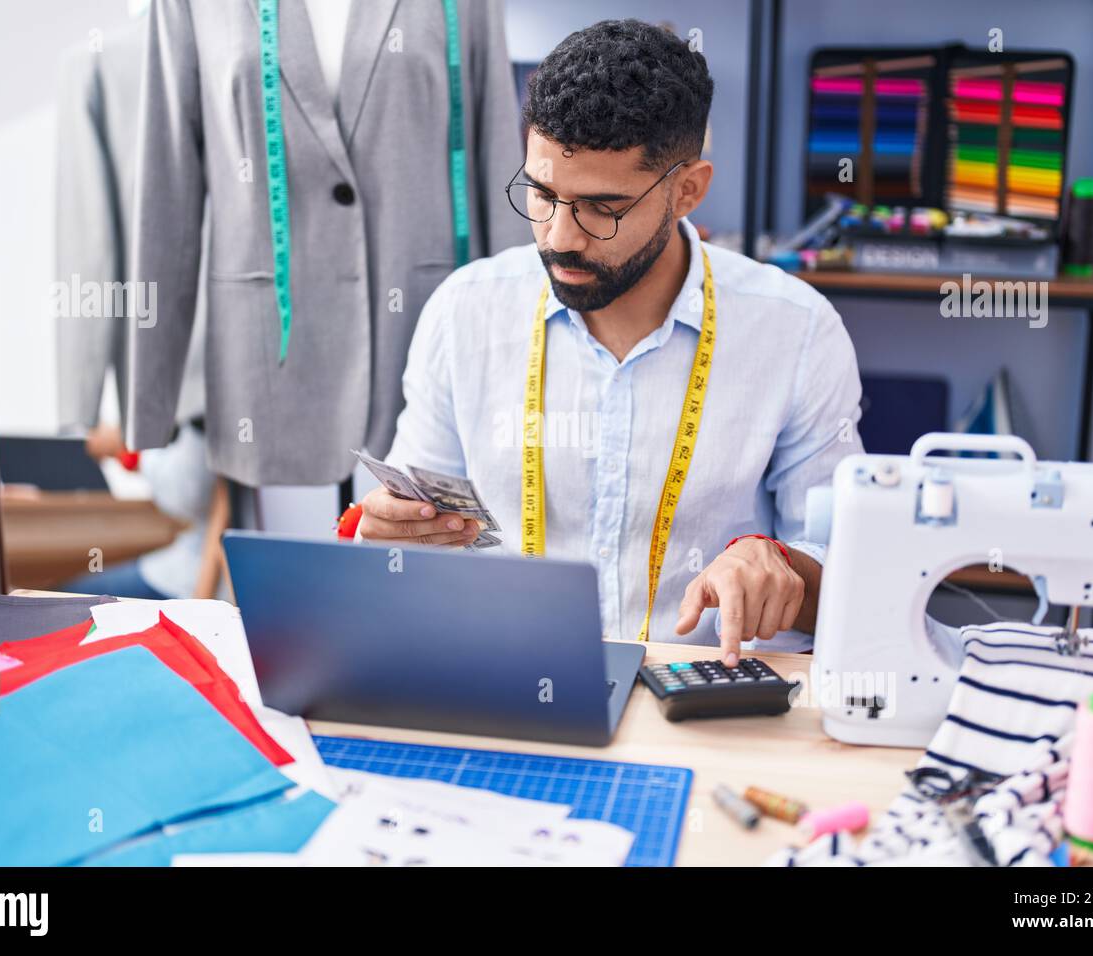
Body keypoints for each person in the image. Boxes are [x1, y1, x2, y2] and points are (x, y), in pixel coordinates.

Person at [357, 19, 864, 663]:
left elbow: (850, 575)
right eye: (541, 194)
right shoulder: (464, 311)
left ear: (688, 190)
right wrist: (390, 539)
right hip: (502, 676)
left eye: (603, 207)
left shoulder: (797, 331)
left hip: (702, 701)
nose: (560, 237)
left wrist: (781, 567)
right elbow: (417, 529)